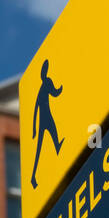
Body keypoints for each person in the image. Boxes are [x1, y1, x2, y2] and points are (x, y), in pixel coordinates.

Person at [30, 59, 63, 188]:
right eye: (44, 71)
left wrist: (34, 128)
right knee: (39, 148)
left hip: (45, 117)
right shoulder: (46, 83)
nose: (44, 73)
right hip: (45, 118)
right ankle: (33, 176)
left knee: (53, 135)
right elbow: (54, 93)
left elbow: (36, 109)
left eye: (45, 70)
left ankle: (58, 147)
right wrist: (33, 129)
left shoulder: (44, 84)